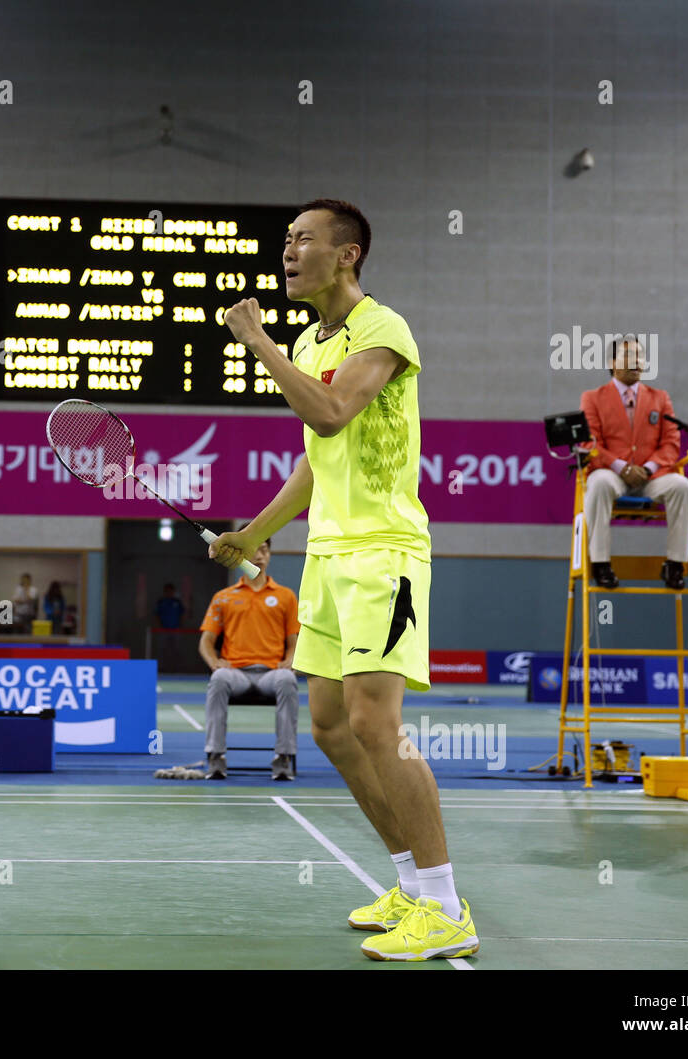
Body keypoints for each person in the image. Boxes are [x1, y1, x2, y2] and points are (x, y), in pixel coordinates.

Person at [209, 198, 479, 961]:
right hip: (326, 554)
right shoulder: (307, 336)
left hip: (384, 551)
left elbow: (330, 412)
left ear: (347, 254)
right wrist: (254, 534)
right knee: (328, 722)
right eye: (286, 240)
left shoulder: (382, 329)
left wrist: (256, 340)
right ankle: (409, 885)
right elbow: (316, 459)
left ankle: (448, 904)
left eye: (303, 240)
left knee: (374, 724)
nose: (288, 252)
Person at [580, 337, 688, 590]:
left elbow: (671, 442)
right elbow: (591, 443)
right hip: (612, 474)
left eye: (640, 356)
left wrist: (649, 468)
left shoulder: (660, 398)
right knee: (597, 485)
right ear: (612, 362)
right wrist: (622, 467)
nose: (637, 362)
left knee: (682, 487)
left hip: (651, 476)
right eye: (630, 356)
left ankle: (675, 564)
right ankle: (600, 563)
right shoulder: (592, 398)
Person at [198, 537, 300, 781]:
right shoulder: (224, 597)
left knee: (287, 679)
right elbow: (206, 642)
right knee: (219, 677)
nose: (259, 555)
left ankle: (284, 757)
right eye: (254, 550)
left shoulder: (286, 597)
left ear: (270, 555)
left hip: (271, 674)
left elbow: (294, 643)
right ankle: (215, 756)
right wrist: (214, 662)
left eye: (264, 550)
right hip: (236, 674)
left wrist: (291, 660)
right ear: (242, 555)